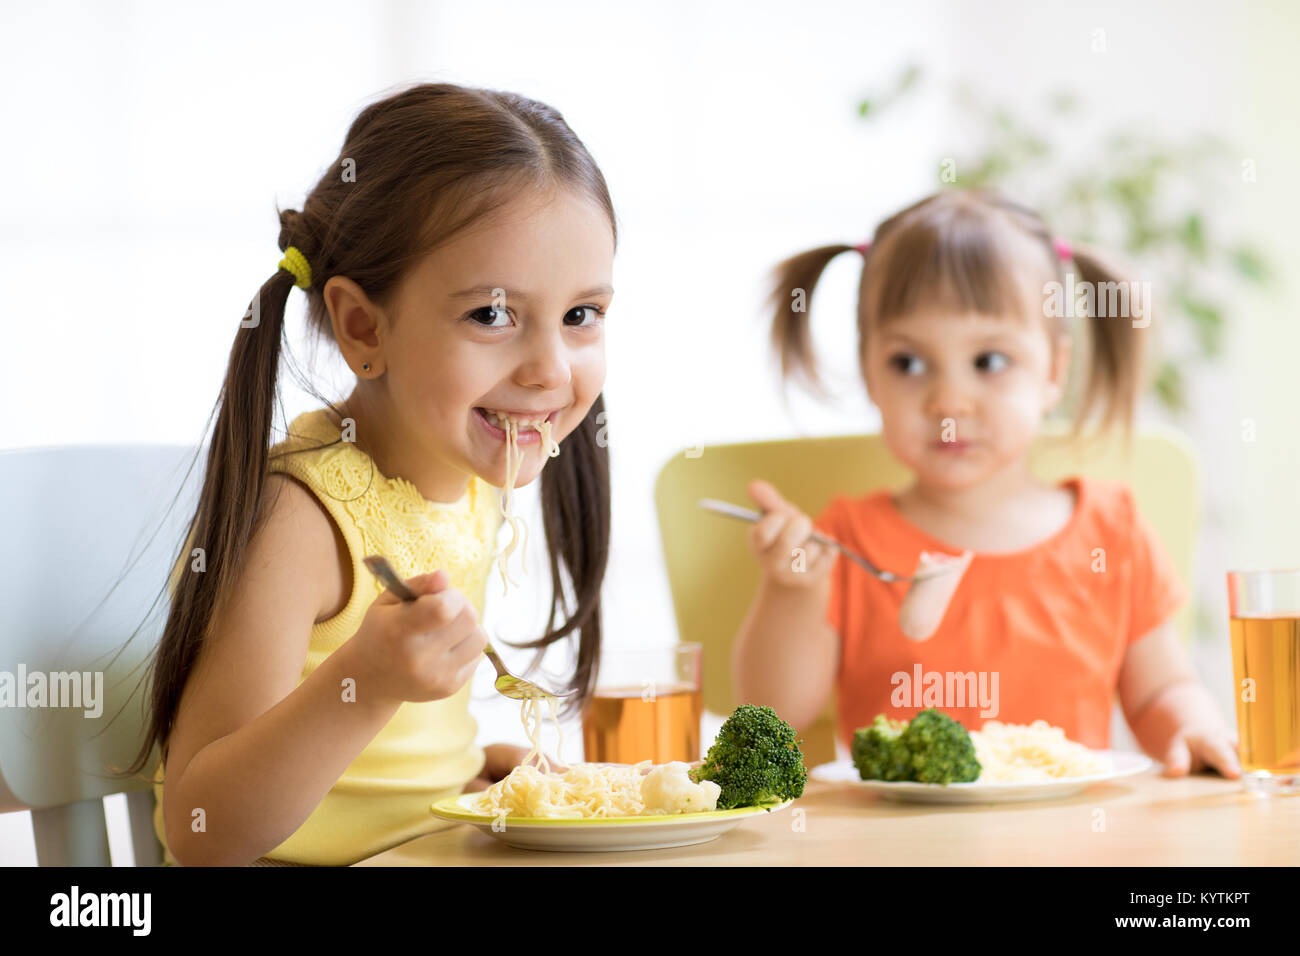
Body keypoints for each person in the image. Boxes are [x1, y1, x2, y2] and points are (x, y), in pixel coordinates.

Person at [120, 83, 617, 865]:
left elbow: (389, 771)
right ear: (363, 328)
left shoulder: (474, 479)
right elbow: (199, 827)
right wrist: (368, 681)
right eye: (492, 315)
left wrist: (479, 769)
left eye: (581, 315)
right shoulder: (301, 520)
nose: (551, 370)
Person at [733, 189, 1240, 779]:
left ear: (1052, 371)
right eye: (908, 363)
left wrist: (1193, 727)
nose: (949, 401)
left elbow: (1161, 693)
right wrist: (792, 590)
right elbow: (776, 711)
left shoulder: (1112, 530)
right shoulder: (845, 540)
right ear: (869, 371)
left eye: (990, 362)